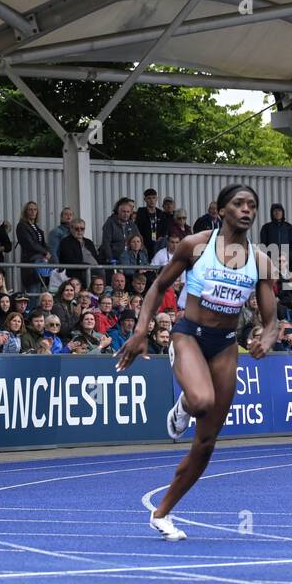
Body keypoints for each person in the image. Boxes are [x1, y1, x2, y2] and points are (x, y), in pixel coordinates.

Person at [115, 185, 277, 542]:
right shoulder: (195, 245)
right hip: (189, 335)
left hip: (224, 346)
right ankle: (184, 406)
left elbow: (272, 318)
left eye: (252, 205)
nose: (247, 210)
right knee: (201, 401)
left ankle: (162, 513)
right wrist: (141, 331)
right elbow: (157, 288)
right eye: (239, 204)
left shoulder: (261, 262)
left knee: (206, 442)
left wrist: (266, 338)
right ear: (221, 210)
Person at [16, 201, 50, 292]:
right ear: (25, 212)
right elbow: (30, 243)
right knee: (33, 291)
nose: (33, 212)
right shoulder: (22, 226)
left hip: (40, 262)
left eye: (35, 209)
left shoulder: (36, 227)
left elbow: (42, 243)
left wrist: (47, 253)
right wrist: (45, 252)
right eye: (30, 209)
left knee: (39, 291)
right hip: (30, 262)